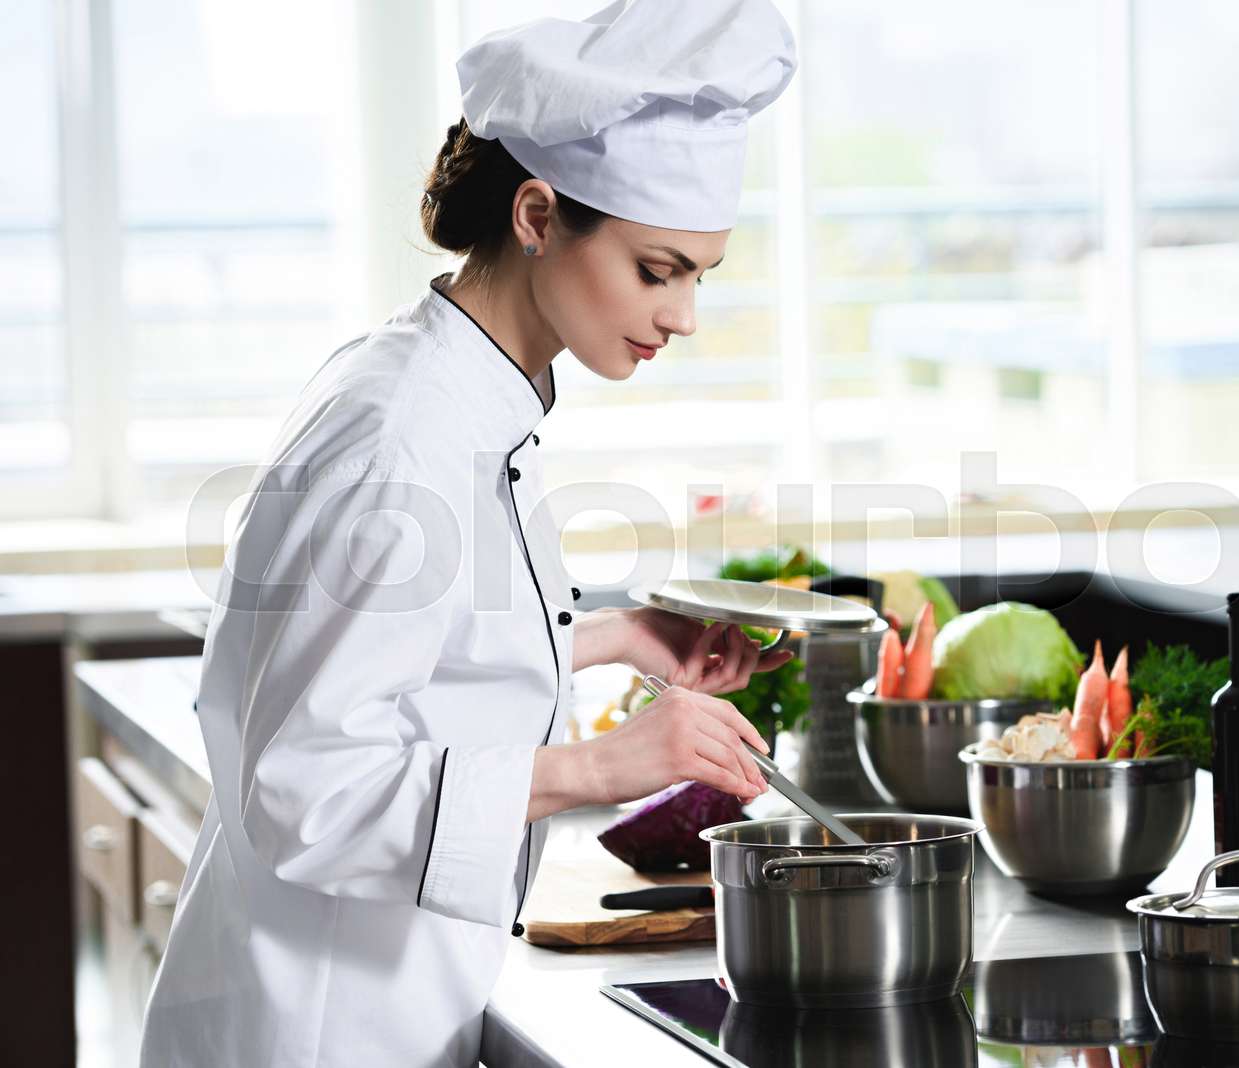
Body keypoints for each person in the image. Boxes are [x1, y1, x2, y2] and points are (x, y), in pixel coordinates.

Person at [139, 2, 798, 1064]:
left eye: (696, 279)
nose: (681, 316)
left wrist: (611, 636)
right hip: (317, 1027)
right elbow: (309, 786)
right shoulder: (401, 438)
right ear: (538, 217)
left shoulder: (462, 393)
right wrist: (602, 763)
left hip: (380, 1004)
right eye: (655, 270)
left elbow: (410, 645)